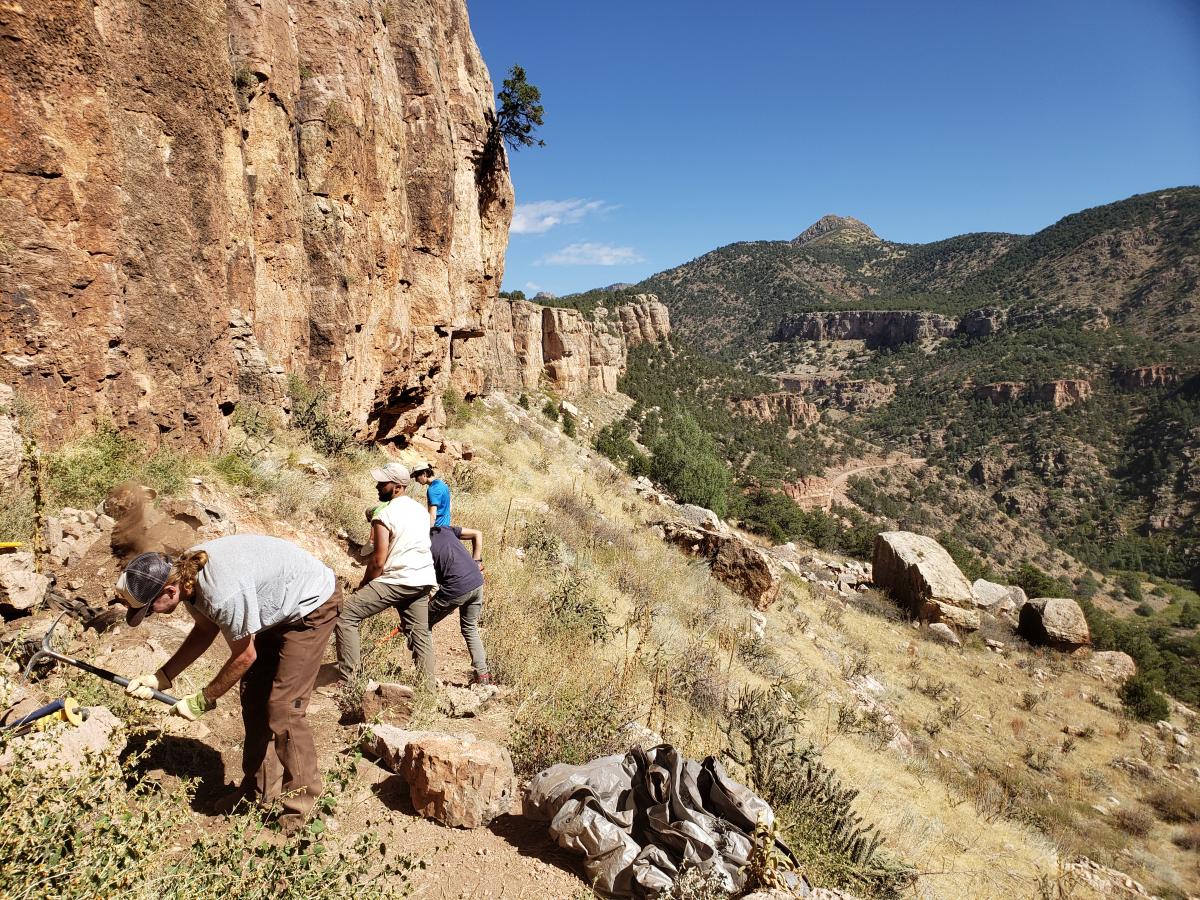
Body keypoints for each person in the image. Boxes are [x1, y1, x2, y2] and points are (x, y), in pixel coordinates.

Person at [115, 535, 340, 832]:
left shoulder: (220, 592)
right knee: (254, 695)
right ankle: (257, 792)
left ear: (169, 591)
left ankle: (303, 814)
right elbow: (205, 630)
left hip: (310, 606)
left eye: (149, 609)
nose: (151, 615)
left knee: (284, 709)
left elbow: (245, 655)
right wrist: (162, 677)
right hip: (276, 607)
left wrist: (203, 699)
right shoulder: (188, 578)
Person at [333, 462, 437, 684]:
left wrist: (364, 585)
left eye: (383, 483)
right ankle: (428, 692)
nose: (377, 486)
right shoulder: (420, 511)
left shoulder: (385, 514)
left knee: (345, 616)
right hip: (423, 579)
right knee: (420, 635)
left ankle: (349, 681)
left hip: (397, 578)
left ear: (398, 487)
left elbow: (378, 560)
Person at [428, 523, 490, 684]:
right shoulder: (445, 529)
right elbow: (477, 532)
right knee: (470, 627)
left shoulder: (420, 545)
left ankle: (425, 674)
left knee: (421, 623)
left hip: (456, 588)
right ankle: (483, 676)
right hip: (477, 581)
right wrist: (477, 561)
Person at [412, 460, 451, 528]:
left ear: (424, 474)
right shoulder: (442, 484)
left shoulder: (432, 489)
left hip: (437, 529)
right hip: (446, 527)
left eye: (416, 476)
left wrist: (428, 531)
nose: (416, 480)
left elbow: (432, 516)